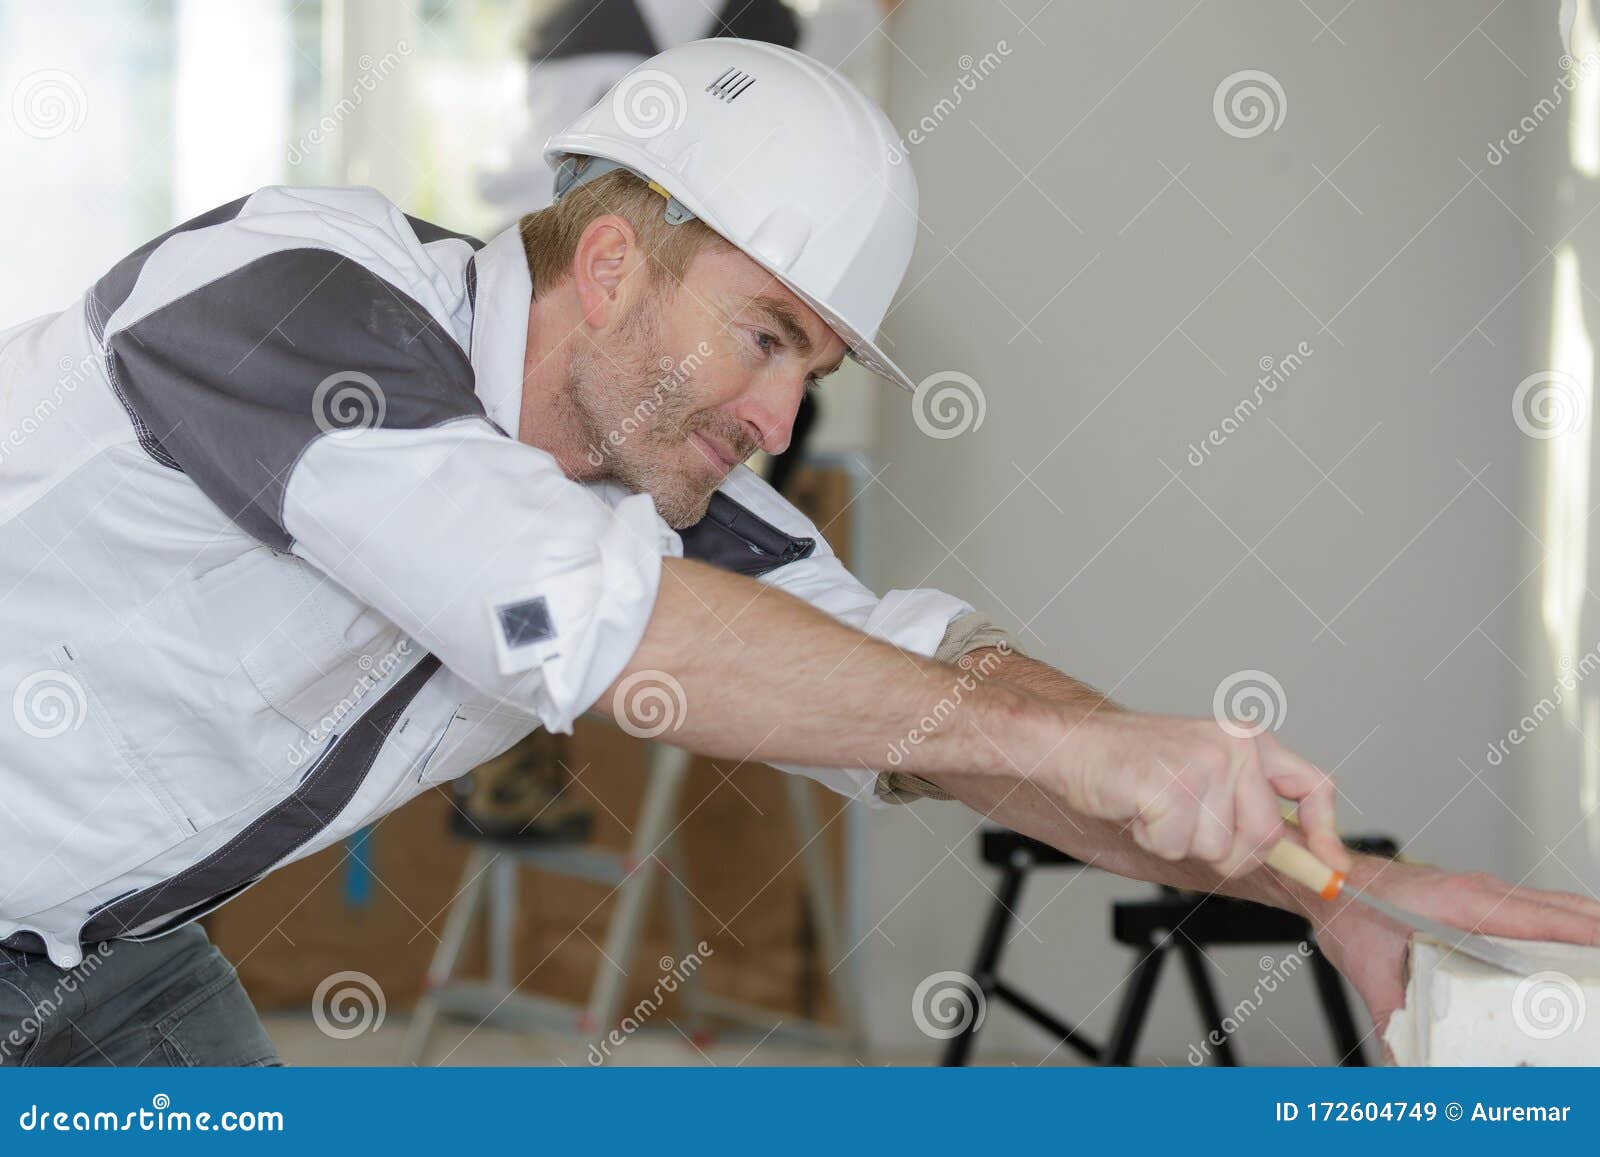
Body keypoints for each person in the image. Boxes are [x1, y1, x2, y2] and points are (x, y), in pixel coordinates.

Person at [0, 38, 1594, 1067]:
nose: (779, 420)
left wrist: (1326, 882)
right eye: (767, 337)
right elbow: (591, 627)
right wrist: (1069, 736)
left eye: (811, 369)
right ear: (614, 264)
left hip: (97, 956)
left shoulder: (661, 506)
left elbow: (934, 700)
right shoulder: (300, 302)